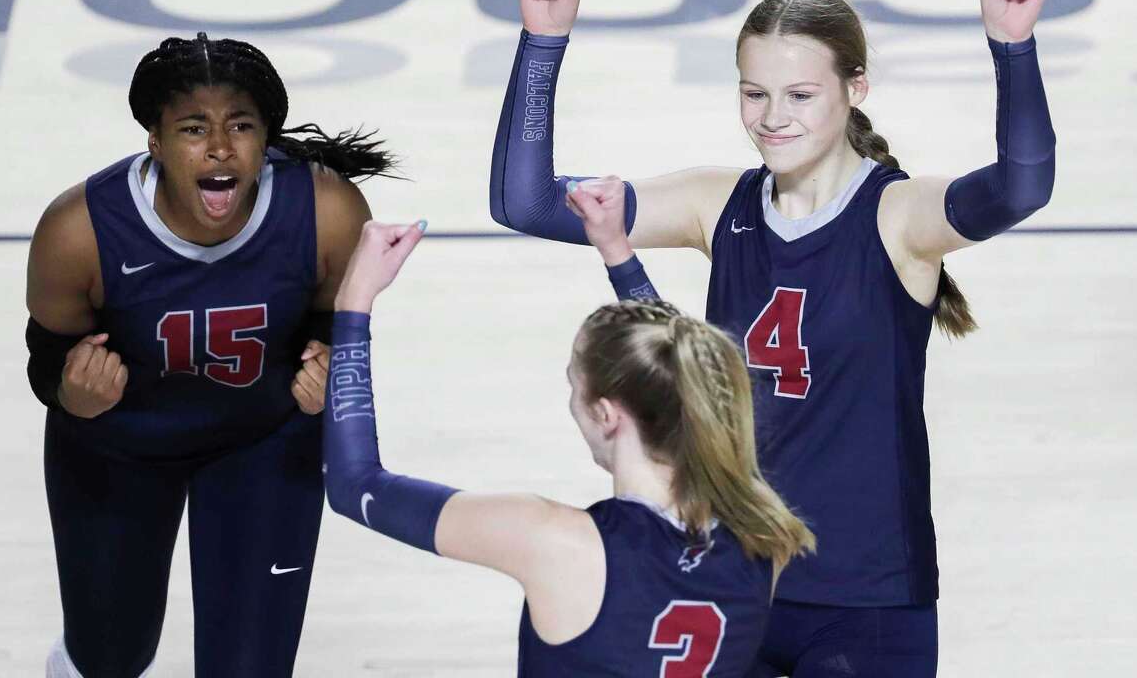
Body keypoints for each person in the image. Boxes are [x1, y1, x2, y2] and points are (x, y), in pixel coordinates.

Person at [489, 0, 1054, 676]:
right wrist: (544, 40)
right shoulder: (715, 203)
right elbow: (526, 203)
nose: (771, 118)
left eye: (799, 95)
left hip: (868, 601)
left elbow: (1022, 185)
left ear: (855, 87)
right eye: (754, 93)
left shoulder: (898, 216)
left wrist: (1012, 47)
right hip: (732, 580)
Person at [25, 32, 391, 677]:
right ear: (156, 142)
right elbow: (46, 353)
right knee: (109, 658)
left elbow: (341, 328)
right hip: (118, 446)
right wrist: (68, 388)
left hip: (263, 442)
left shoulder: (328, 210)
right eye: (194, 128)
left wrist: (331, 372)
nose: (220, 147)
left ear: (265, 139)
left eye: (241, 126)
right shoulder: (77, 229)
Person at [322, 207, 813, 675]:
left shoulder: (554, 541)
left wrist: (353, 305)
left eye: (573, 387)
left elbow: (355, 485)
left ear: (605, 413)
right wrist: (618, 254)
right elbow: (679, 364)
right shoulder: (763, 537)